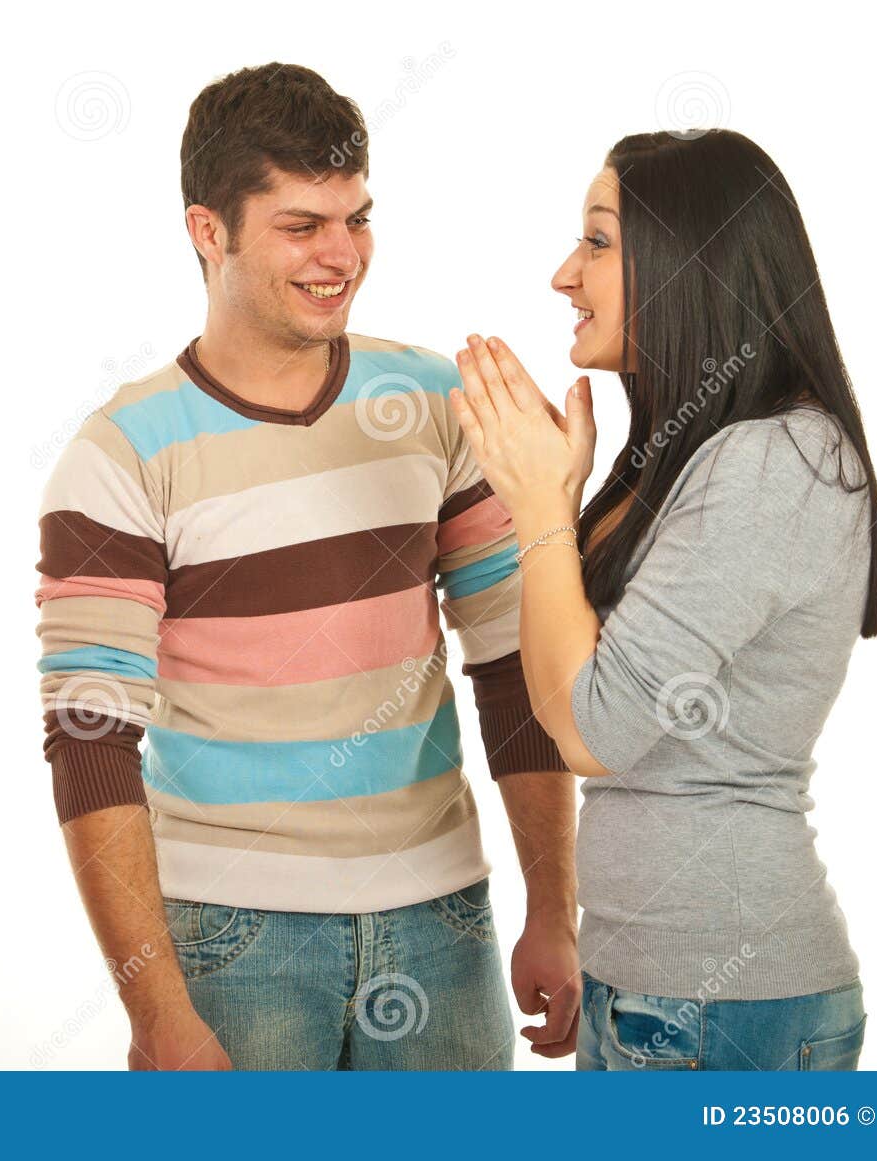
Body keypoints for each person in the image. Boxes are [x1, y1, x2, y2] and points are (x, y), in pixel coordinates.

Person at [35, 64, 578, 1070]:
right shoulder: (120, 453)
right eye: (302, 226)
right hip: (232, 940)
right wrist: (156, 1009)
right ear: (209, 231)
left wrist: (554, 910)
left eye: (356, 219)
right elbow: (90, 740)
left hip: (443, 922)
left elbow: (514, 669)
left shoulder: (436, 401)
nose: (342, 255)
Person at [450, 129, 877, 1070]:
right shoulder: (692, 454)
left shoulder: (776, 461)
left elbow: (591, 731)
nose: (565, 274)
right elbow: (561, 690)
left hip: (723, 1005)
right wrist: (553, 504)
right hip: (652, 989)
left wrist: (540, 510)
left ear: (692, 260)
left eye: (598, 241)